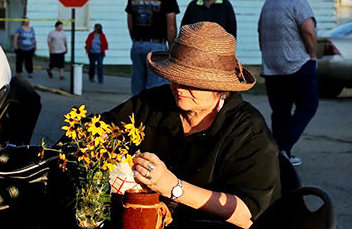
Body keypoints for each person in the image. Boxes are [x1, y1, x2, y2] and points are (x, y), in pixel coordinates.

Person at [104, 22, 279, 228]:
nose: (179, 87)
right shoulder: (153, 104)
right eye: (175, 76)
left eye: (192, 81)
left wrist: (172, 186)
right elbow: (95, 130)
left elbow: (246, 215)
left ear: (220, 87)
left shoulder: (247, 131)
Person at [258, 0, 318, 167]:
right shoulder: (298, 3)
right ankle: (281, 146)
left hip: (272, 66)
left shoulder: (268, 4)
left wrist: (267, 57)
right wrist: (313, 56)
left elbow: (261, 34)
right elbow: (308, 31)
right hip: (297, 64)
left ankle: (281, 155)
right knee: (308, 105)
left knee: (280, 111)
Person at [125, 0, 180, 95]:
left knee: (137, 88)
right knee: (155, 90)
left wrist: (136, 40)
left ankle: (136, 114)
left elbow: (130, 22)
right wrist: (172, 48)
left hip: (137, 44)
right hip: (157, 46)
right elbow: (171, 26)